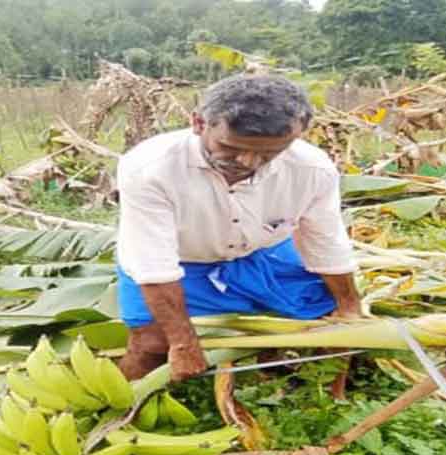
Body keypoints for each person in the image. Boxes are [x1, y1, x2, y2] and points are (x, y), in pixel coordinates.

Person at [115, 74, 361, 383]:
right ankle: (124, 410)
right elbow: (154, 265)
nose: (248, 161)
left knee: (329, 320)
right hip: (184, 262)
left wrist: (350, 306)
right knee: (152, 344)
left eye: (269, 153)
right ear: (199, 123)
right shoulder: (150, 169)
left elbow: (325, 242)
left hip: (265, 252)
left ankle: (323, 396)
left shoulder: (312, 169)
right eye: (231, 148)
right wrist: (183, 342)